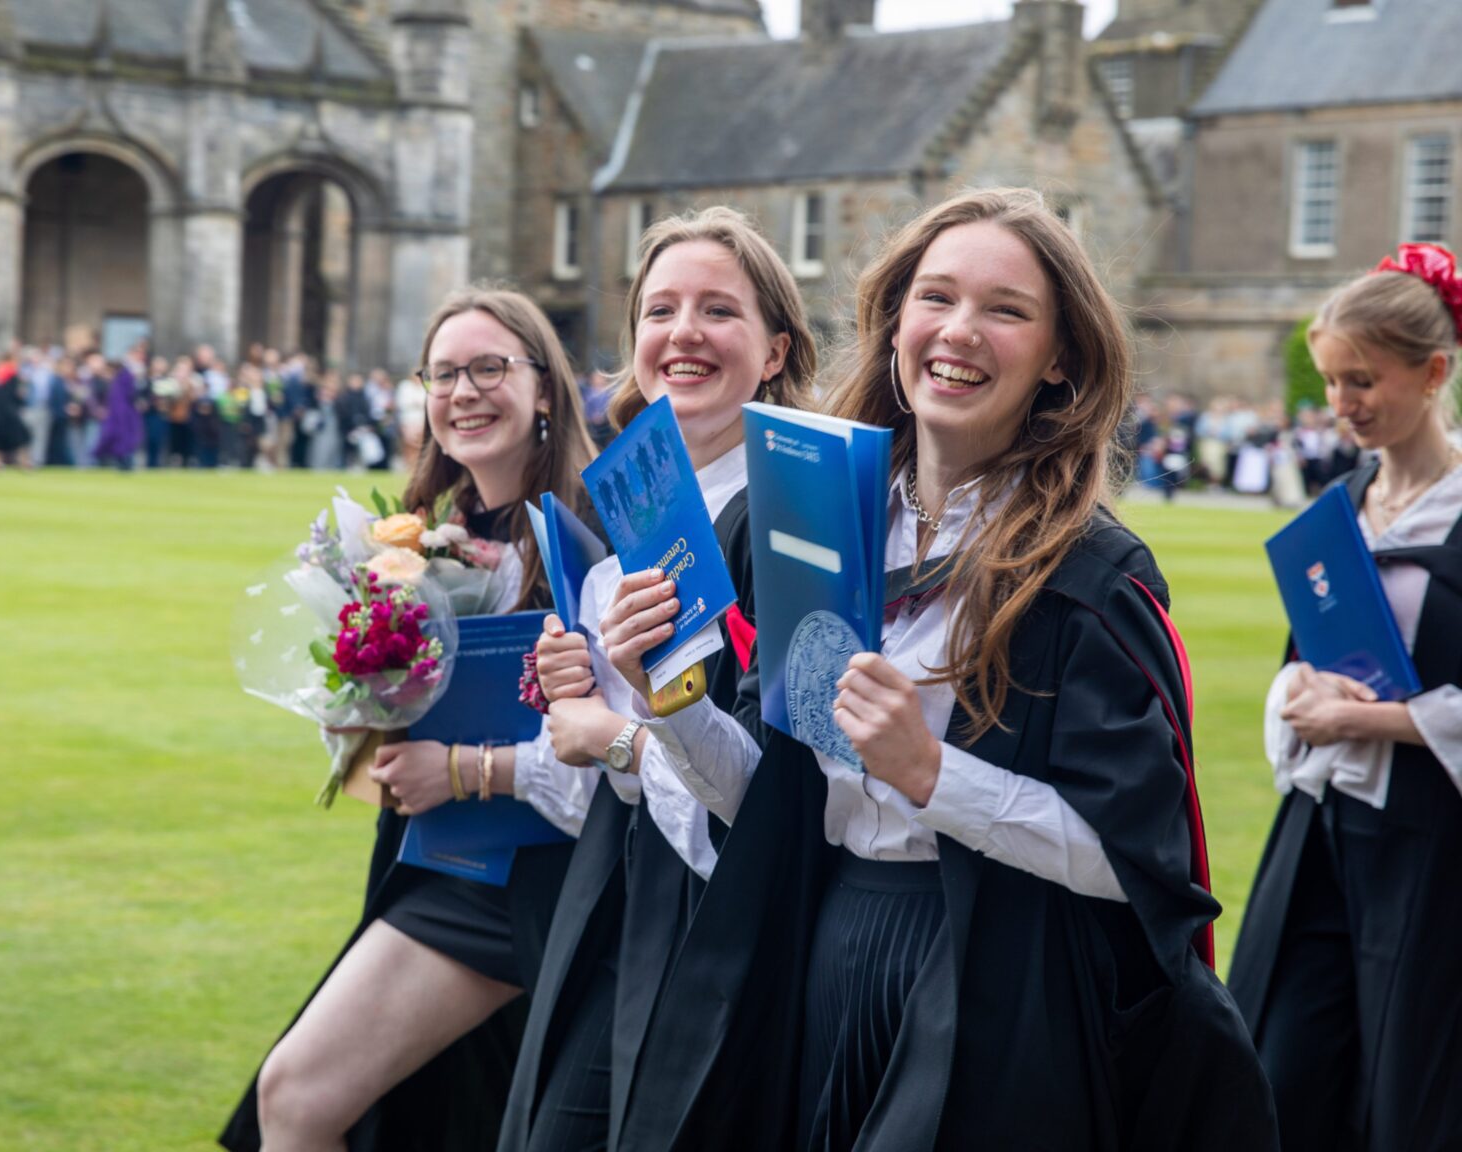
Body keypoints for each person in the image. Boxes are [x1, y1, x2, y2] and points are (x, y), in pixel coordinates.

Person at [592, 189, 1275, 1150]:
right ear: (894, 321)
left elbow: (1136, 866)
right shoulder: (809, 524)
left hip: (998, 987)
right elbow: (773, 798)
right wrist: (666, 696)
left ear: (1061, 359)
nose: (959, 331)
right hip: (829, 952)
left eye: (1006, 309)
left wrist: (931, 774)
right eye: (935, 297)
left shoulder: (1085, 580)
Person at [220, 288, 603, 1152]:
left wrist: (466, 767)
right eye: (443, 374)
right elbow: (385, 707)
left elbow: (618, 744)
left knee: (300, 1095)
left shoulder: (592, 532)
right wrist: (359, 697)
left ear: (545, 387)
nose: (463, 391)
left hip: (531, 876)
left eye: (489, 368)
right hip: (434, 852)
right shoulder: (427, 530)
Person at [503, 205, 819, 1152]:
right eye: (659, 310)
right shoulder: (633, 507)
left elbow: (787, 797)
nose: (682, 333)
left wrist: (620, 732)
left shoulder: (797, 516)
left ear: (775, 350)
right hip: (621, 895)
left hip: (731, 924)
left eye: (718, 310)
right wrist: (577, 694)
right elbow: (590, 774)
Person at [1230, 242, 1462, 1152]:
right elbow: (1305, 654)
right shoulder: (1346, 500)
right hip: (1321, 829)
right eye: (1330, 382)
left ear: (1434, 371)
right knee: (1283, 1070)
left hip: (1432, 849)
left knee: (1412, 1092)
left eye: (1361, 380)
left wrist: (1366, 719)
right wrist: (1298, 689)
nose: (1341, 405)